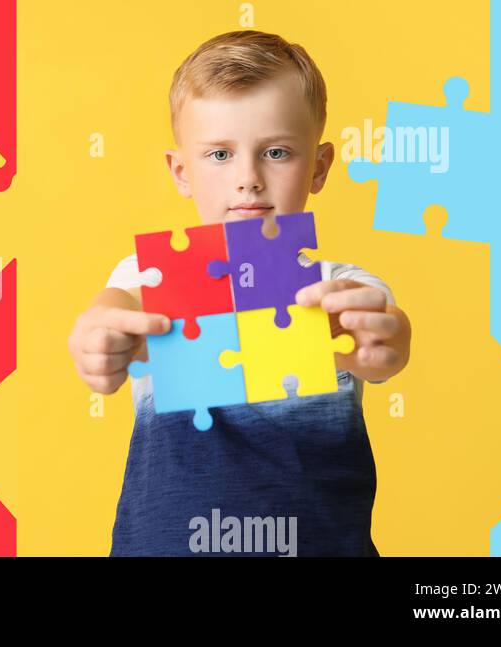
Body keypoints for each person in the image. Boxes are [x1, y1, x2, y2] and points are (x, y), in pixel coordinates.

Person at [67, 30, 412, 556]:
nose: (248, 178)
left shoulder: (339, 283)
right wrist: (98, 334)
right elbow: (115, 308)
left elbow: (383, 342)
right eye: (219, 154)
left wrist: (383, 338)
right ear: (181, 172)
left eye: (276, 152)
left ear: (318, 167)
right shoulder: (148, 277)